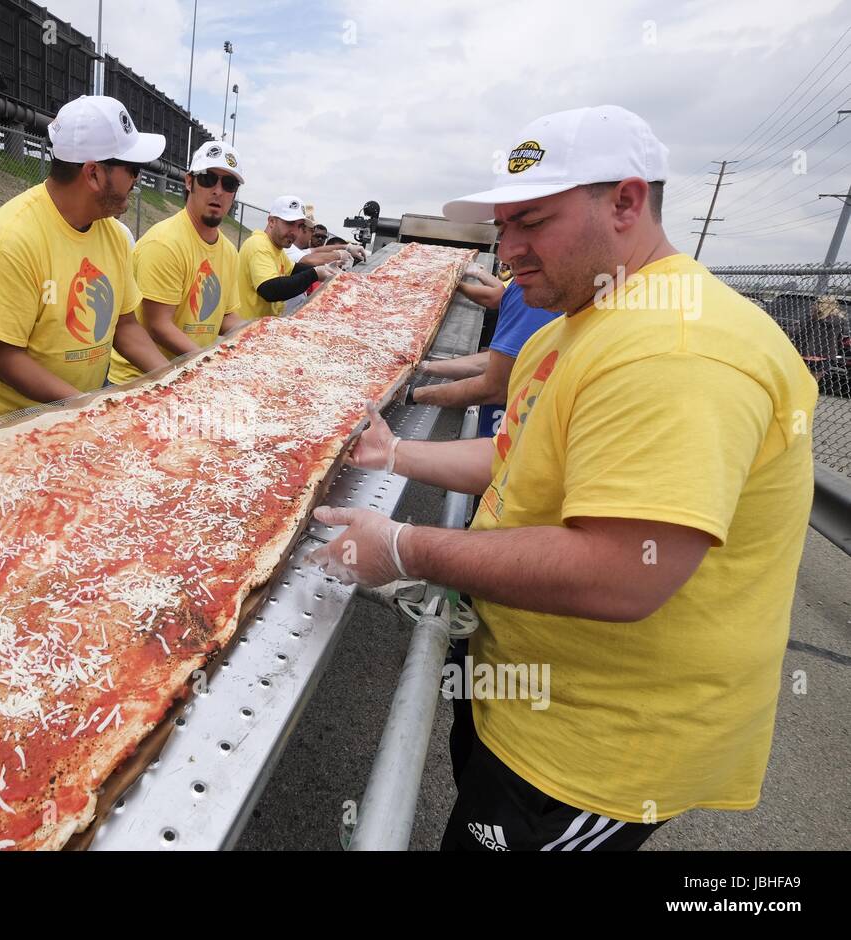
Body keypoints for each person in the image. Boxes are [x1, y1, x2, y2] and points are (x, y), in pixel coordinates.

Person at [309, 106, 818, 851]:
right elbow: (527, 460)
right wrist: (398, 457)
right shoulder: (582, 320)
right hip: (525, 702)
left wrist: (405, 548)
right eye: (503, 224)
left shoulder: (678, 349)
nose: (507, 248)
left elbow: (621, 573)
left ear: (626, 202)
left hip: (594, 749)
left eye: (533, 222)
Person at [0, 95, 169, 418]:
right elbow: (2, 356)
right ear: (94, 174)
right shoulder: (8, 241)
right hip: (8, 429)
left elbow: (125, 325)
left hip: (76, 409)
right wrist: (88, 405)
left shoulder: (112, 234)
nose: (137, 180)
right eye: (133, 168)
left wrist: (174, 379)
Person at [107, 141, 246, 385]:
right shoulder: (165, 243)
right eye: (208, 178)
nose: (218, 190)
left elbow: (225, 317)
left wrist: (262, 333)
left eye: (229, 184)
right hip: (142, 381)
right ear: (189, 181)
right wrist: (207, 366)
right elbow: (158, 325)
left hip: (189, 373)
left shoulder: (228, 251)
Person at [412, 273, 562, 439]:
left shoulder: (535, 296)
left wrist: (414, 395)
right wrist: (423, 367)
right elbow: (496, 358)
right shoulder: (524, 283)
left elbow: (494, 389)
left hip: (523, 412)